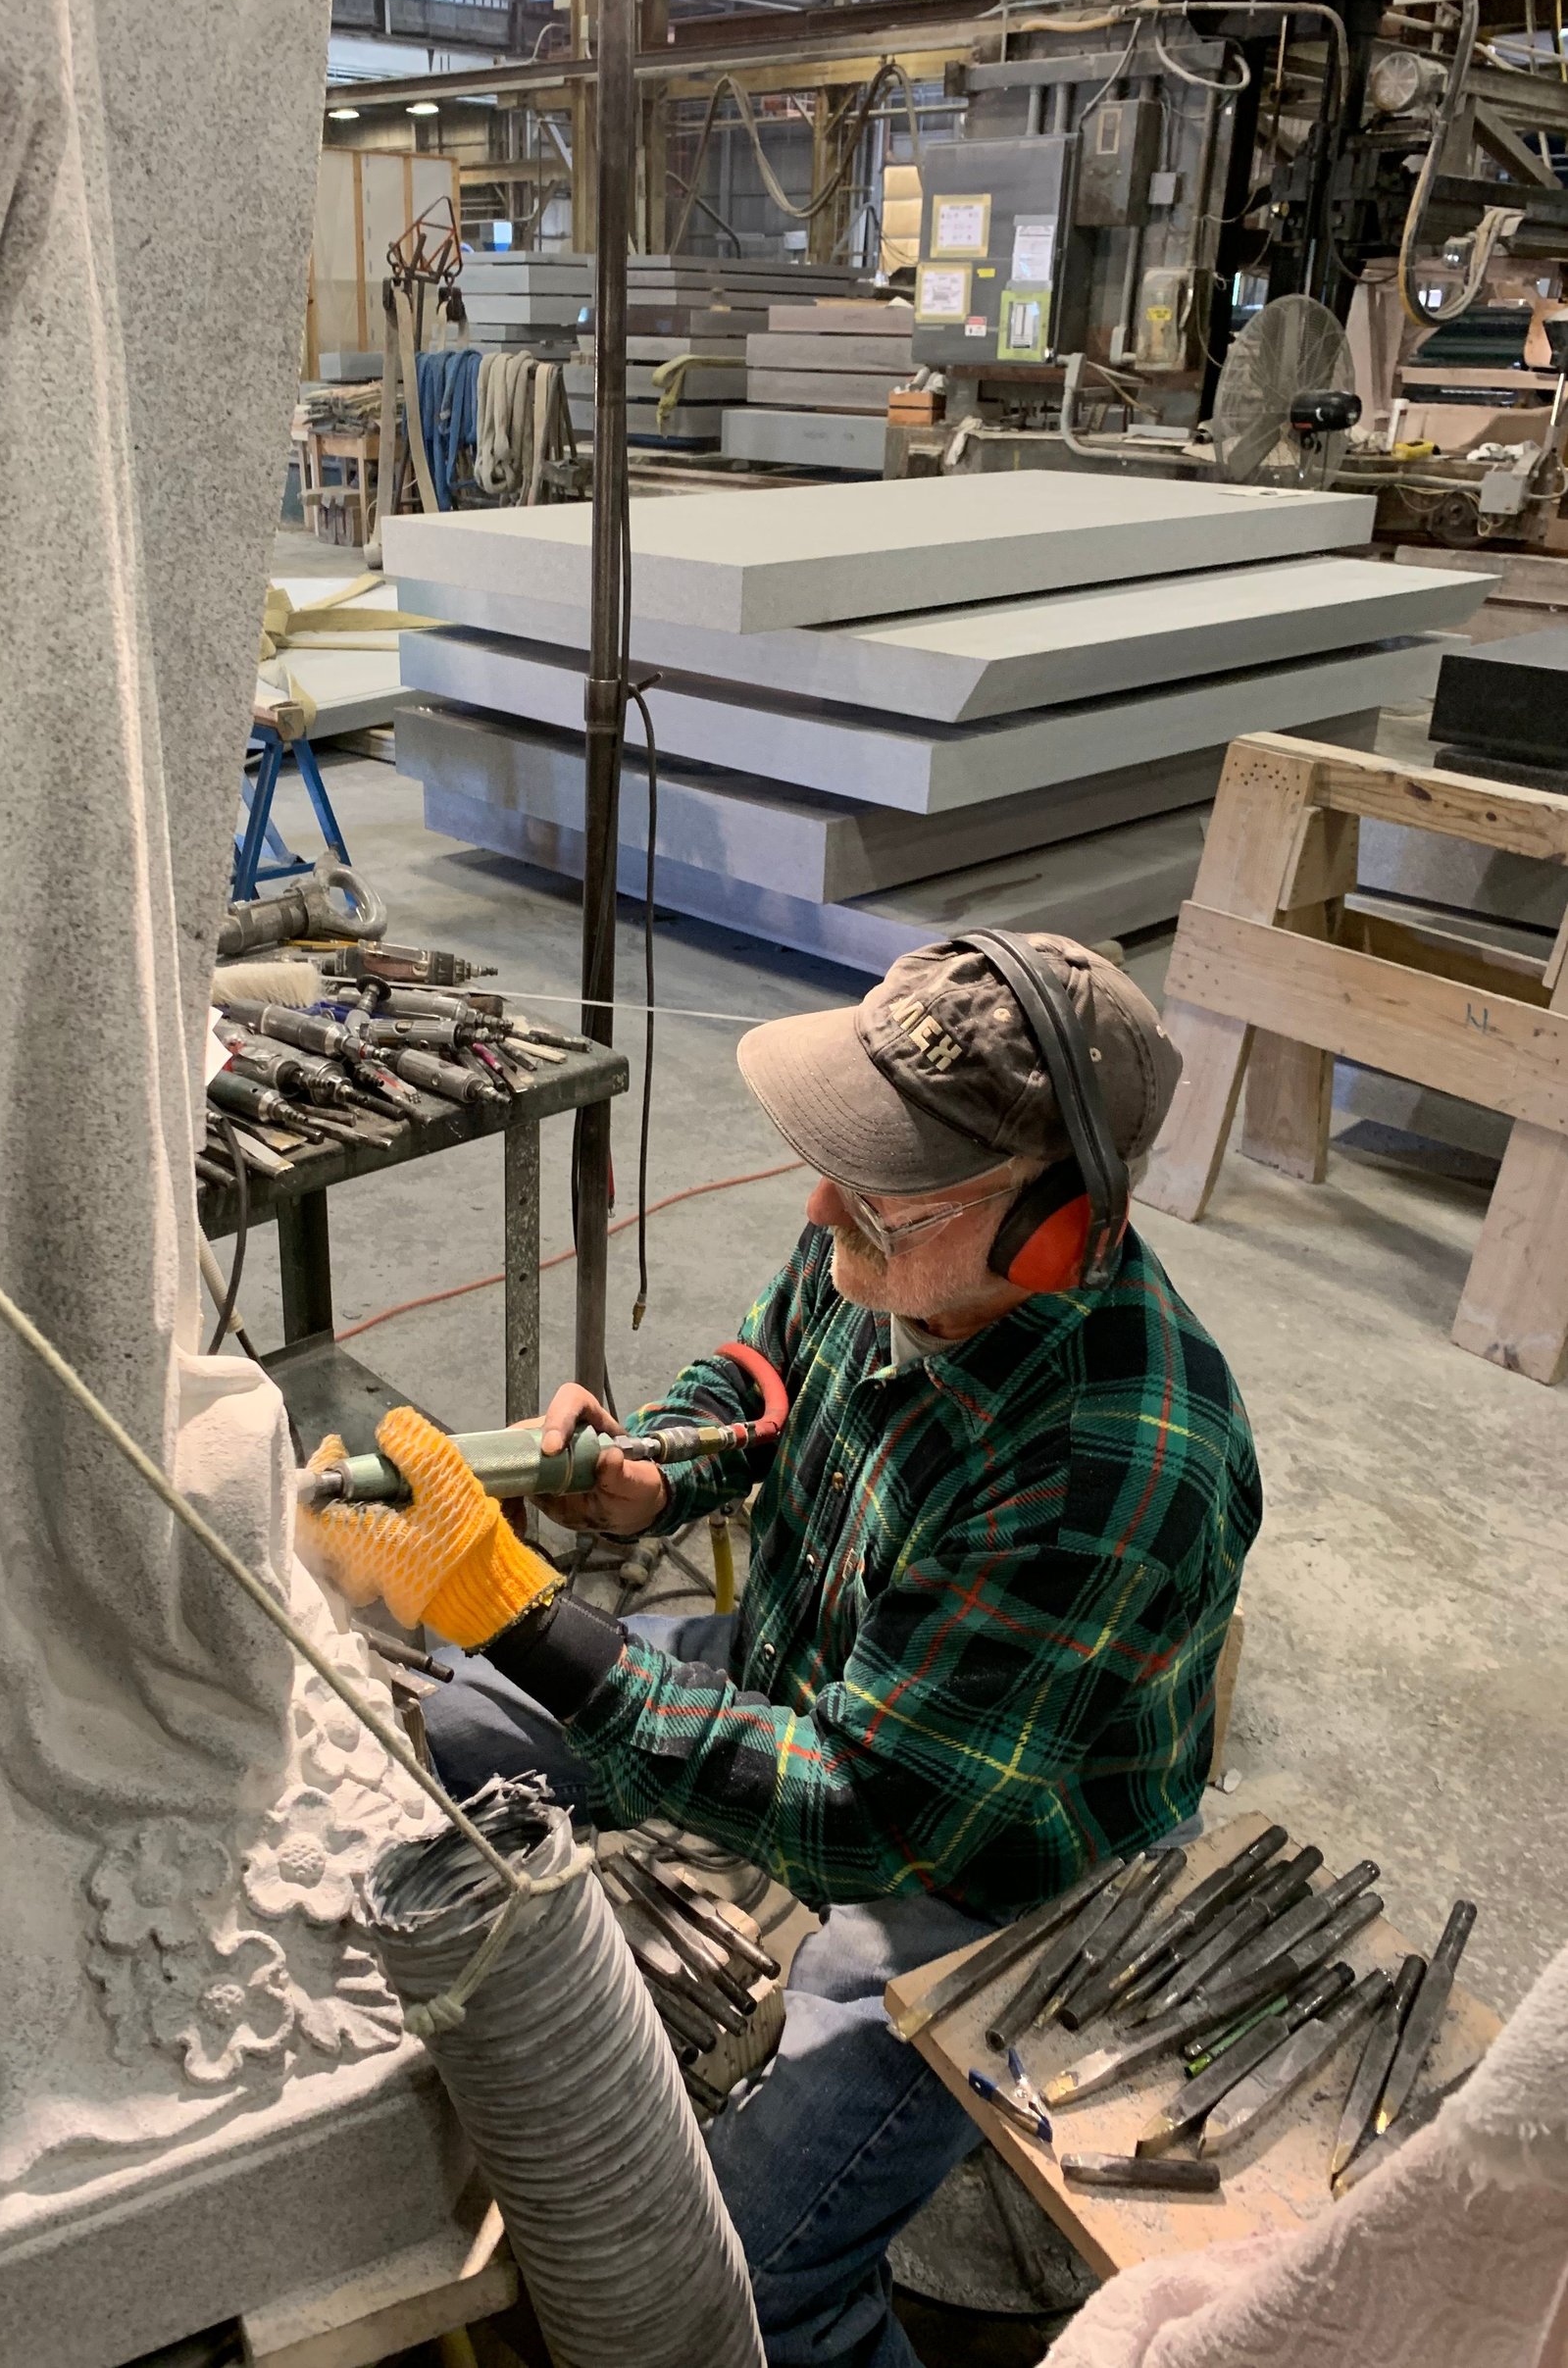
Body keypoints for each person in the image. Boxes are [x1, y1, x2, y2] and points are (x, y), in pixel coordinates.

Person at [303, 932, 1264, 2368]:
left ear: (1050, 1231)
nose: (824, 1209)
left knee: (724, 2285)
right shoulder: (897, 1245)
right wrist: (653, 1468)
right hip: (810, 1670)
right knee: (440, 1737)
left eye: (877, 1196)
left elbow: (867, 1817)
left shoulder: (1112, 1464)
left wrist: (524, 1612)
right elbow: (760, 1371)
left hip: (985, 1861)